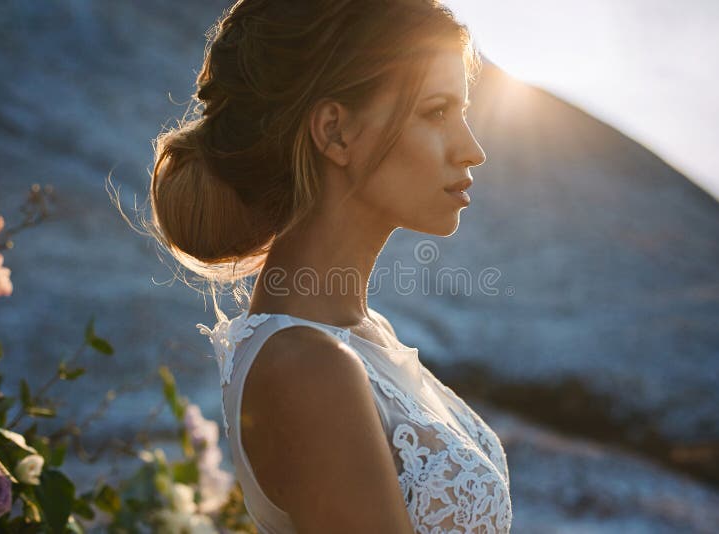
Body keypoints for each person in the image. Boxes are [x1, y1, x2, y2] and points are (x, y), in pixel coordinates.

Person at [148, 0, 511, 531]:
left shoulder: (362, 335)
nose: (472, 149)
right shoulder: (307, 368)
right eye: (436, 111)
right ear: (335, 132)